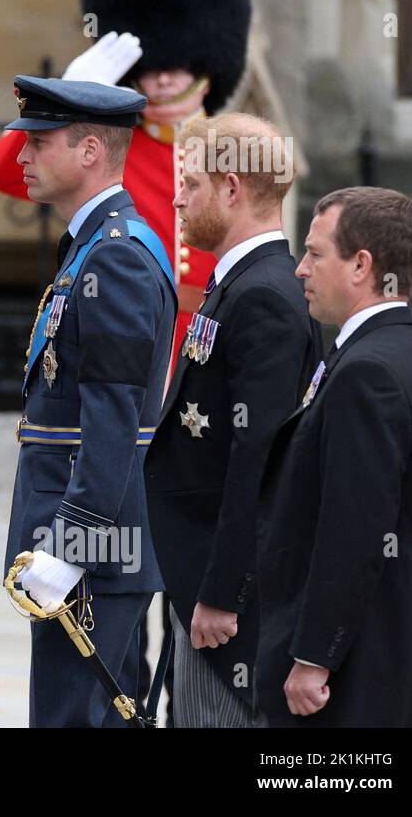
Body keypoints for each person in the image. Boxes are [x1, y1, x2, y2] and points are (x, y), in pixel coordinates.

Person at [0, 0, 251, 350]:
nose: (164, 77)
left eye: (180, 63)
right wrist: (66, 100)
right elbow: (7, 174)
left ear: (208, 62)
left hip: (210, 345)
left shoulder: (240, 151)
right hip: (123, 340)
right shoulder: (110, 146)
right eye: (152, 64)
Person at [2, 76, 175, 727]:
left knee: (76, 718)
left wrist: (70, 546)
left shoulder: (116, 258)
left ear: (90, 151)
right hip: (83, 546)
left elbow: (114, 416)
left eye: (38, 143)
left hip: (92, 552)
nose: (21, 157)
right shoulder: (92, 249)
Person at [143, 113, 321, 726]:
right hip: (196, 571)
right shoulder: (236, 283)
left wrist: (224, 592)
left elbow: (260, 459)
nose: (177, 197)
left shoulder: (265, 295)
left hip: (226, 598)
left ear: (231, 188)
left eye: (189, 183)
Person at [255, 187, 412, 727]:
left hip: (357, 673)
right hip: (391, 650)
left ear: (361, 265)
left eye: (314, 254)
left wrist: (314, 657)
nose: (299, 270)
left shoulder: (370, 373)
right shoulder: (407, 353)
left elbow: (355, 527)